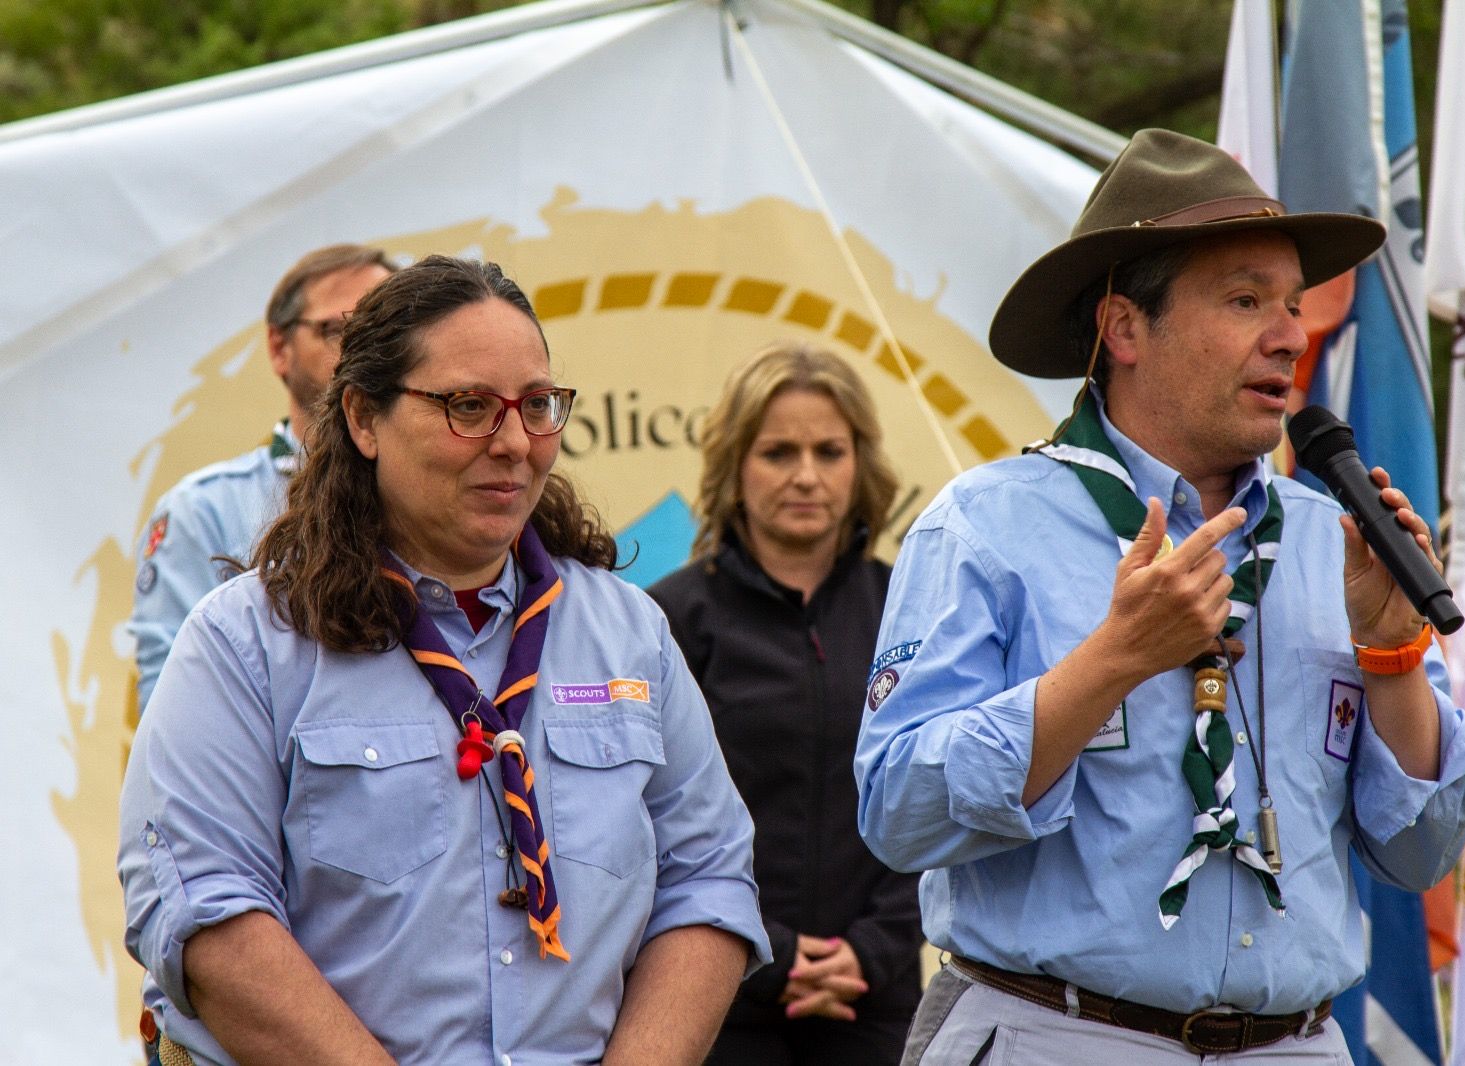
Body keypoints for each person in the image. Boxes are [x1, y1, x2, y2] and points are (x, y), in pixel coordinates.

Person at [854, 129, 1465, 1063]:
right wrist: (1112, 661)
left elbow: (1423, 858)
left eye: (1291, 305)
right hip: (1059, 1035)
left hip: (1297, 1044)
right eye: (1245, 301)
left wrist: (1395, 657)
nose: (1289, 335)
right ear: (1124, 328)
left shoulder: (1339, 540)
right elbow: (898, 813)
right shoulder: (984, 528)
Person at [120, 255, 769, 1065]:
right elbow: (202, 910)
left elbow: (707, 882)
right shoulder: (245, 641)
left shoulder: (631, 632)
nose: (512, 442)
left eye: (536, 406)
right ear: (362, 419)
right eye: (468, 407)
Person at [649, 343, 922, 1066]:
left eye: (829, 451)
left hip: (877, 1000)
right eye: (778, 452)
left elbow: (945, 798)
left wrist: (876, 948)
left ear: (860, 464)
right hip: (715, 1002)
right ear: (735, 464)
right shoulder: (668, 620)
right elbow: (644, 821)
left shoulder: (913, 610)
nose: (806, 475)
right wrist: (766, 950)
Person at [128, 243, 395, 712]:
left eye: (385, 332)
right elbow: (175, 710)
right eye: (338, 329)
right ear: (278, 348)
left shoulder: (431, 495)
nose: (363, 351)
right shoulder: (202, 510)